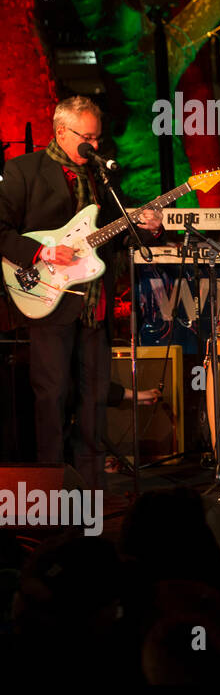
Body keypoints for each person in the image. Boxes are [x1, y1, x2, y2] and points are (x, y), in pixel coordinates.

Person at [0, 96, 164, 485]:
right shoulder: (24, 171)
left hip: (96, 305)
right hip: (46, 298)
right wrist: (41, 250)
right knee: (52, 396)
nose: (94, 145)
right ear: (61, 131)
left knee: (93, 401)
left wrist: (151, 227)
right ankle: (50, 485)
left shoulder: (101, 177)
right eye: (86, 137)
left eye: (97, 137)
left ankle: (91, 487)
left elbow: (118, 234)